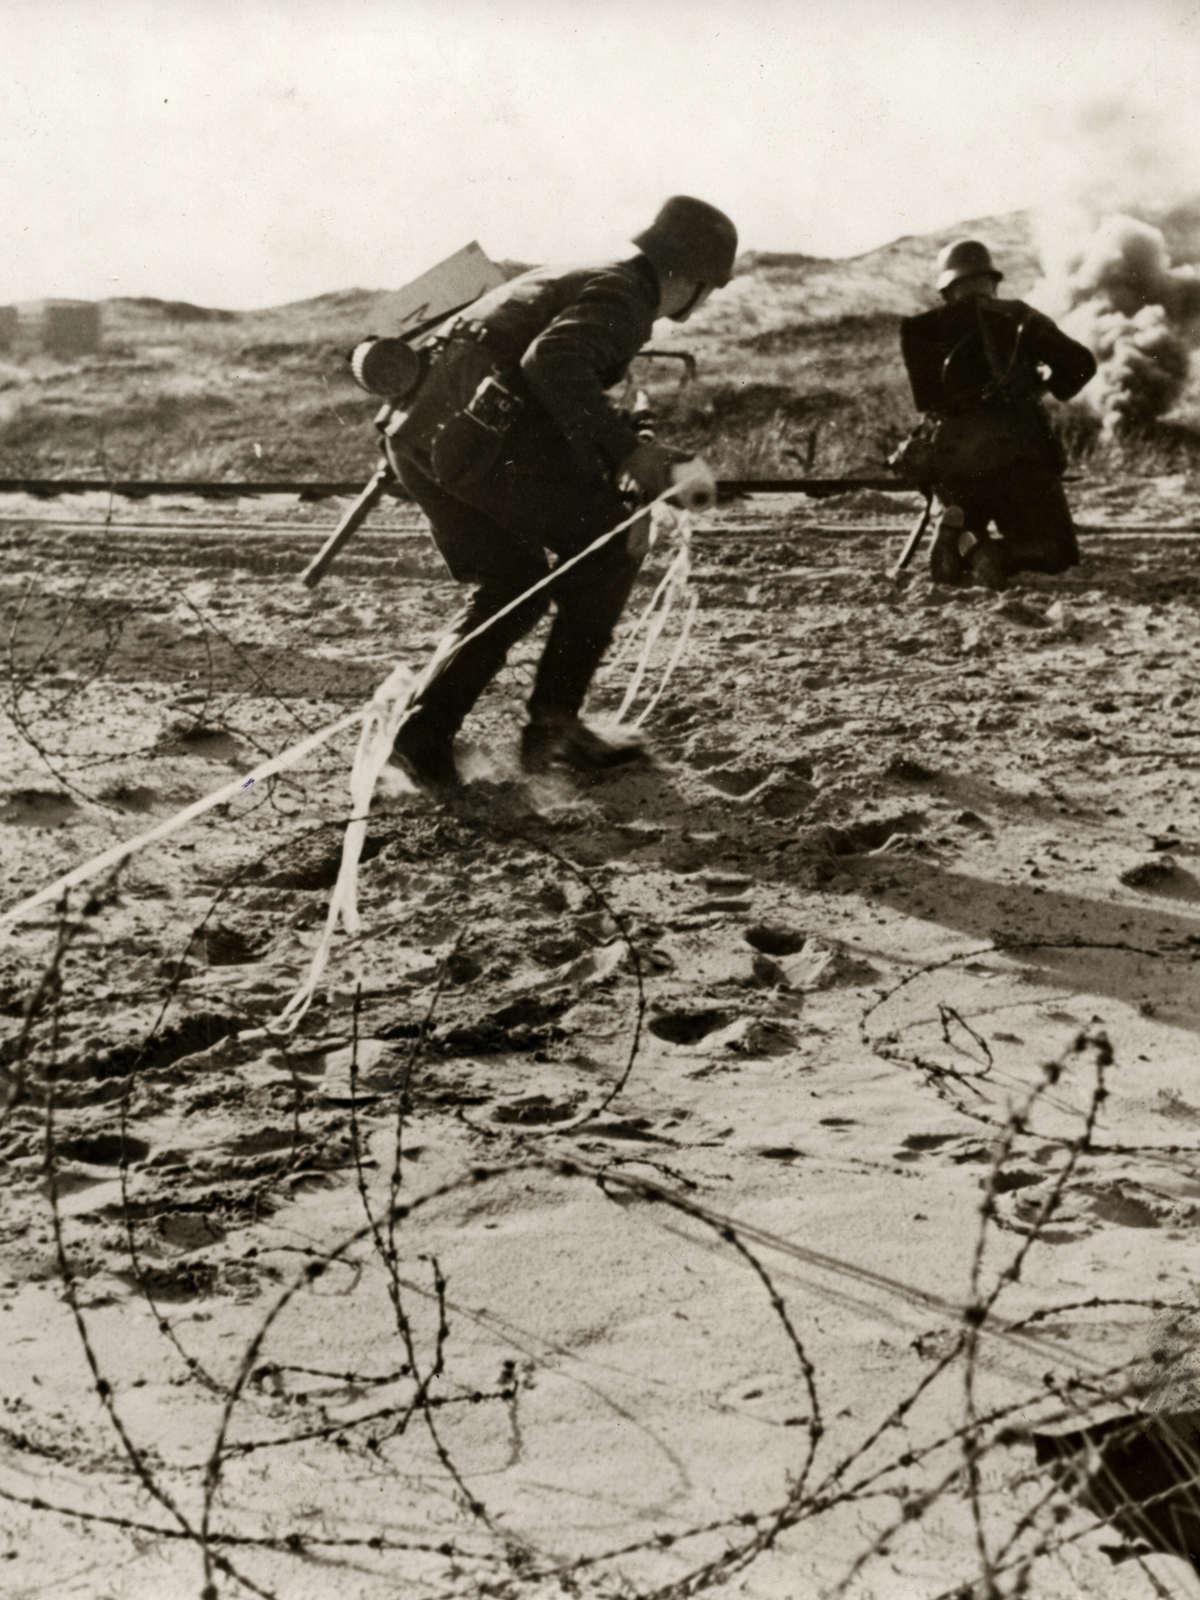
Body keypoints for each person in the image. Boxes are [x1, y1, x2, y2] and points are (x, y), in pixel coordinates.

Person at [378, 195, 737, 793]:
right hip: (470, 441)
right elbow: (551, 362)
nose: (704, 303)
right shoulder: (625, 297)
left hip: (418, 438)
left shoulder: (585, 275)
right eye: (709, 288)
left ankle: (420, 740)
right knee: (611, 544)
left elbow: (541, 385)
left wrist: (615, 451)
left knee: (512, 582)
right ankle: (555, 731)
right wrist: (632, 455)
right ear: (692, 278)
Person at [898, 239, 1097, 590]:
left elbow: (930, 404)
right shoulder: (1018, 315)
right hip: (1019, 459)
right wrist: (1045, 386)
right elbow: (1081, 364)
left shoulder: (921, 330)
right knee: (1057, 553)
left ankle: (964, 536)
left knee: (966, 510)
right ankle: (995, 555)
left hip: (957, 467)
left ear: (947, 288)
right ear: (992, 281)